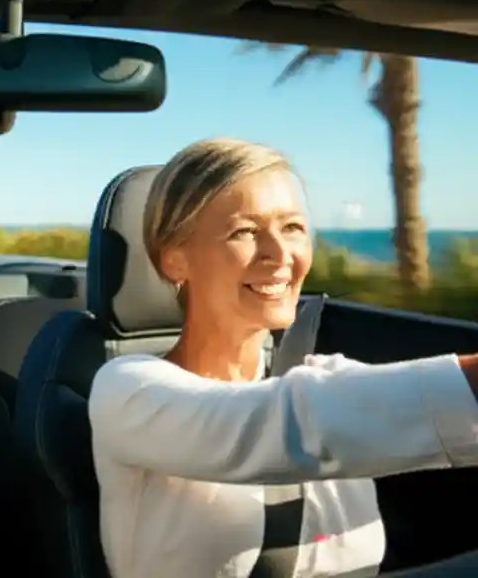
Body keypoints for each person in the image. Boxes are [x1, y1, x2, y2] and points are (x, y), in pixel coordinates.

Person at [88, 137, 478, 578]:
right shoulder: (127, 391)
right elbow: (281, 423)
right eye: (245, 231)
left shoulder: (326, 378)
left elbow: (347, 406)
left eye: (292, 227)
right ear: (175, 260)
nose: (280, 255)